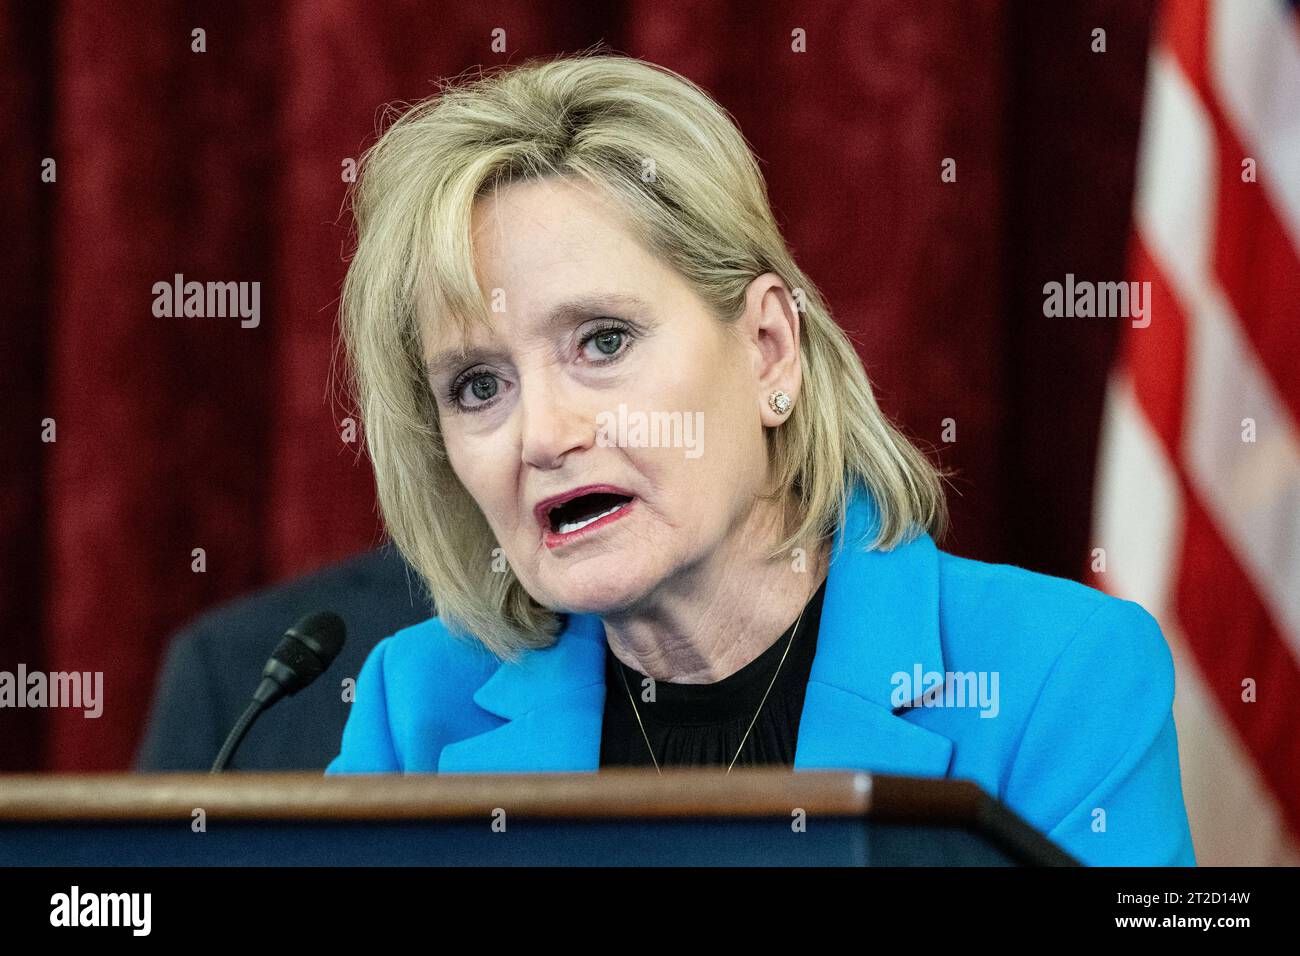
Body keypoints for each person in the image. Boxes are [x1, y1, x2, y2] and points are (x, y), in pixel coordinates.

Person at [324, 52, 1196, 866]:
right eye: (479, 386)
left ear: (770, 349)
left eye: (602, 340)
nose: (545, 435)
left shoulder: (1057, 675)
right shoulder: (418, 710)